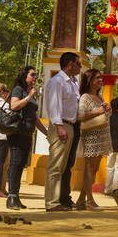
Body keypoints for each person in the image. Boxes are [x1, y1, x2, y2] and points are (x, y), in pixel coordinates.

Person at [43, 52, 82, 211]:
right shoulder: (57, 81)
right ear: (71, 64)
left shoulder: (72, 82)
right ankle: (52, 202)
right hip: (61, 126)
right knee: (56, 166)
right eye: (78, 64)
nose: (80, 67)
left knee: (63, 166)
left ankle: (57, 199)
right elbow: (54, 106)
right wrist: (59, 127)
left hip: (70, 125)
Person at [5, 66, 43, 210]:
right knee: (15, 163)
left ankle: (16, 196)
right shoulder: (18, 90)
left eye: (35, 75)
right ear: (24, 76)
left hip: (27, 133)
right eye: (32, 74)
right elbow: (14, 106)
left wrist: (45, 132)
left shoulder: (28, 92)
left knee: (21, 165)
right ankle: (11, 197)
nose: (35, 77)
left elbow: (34, 117)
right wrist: (28, 97)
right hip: (17, 133)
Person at [75, 69, 111, 211]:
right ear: (90, 80)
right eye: (97, 78)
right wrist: (99, 111)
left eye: (101, 78)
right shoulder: (85, 97)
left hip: (101, 136)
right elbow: (80, 115)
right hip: (91, 136)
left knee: (94, 168)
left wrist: (108, 109)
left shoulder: (100, 97)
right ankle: (90, 200)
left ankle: (81, 200)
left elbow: (105, 115)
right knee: (89, 167)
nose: (101, 80)